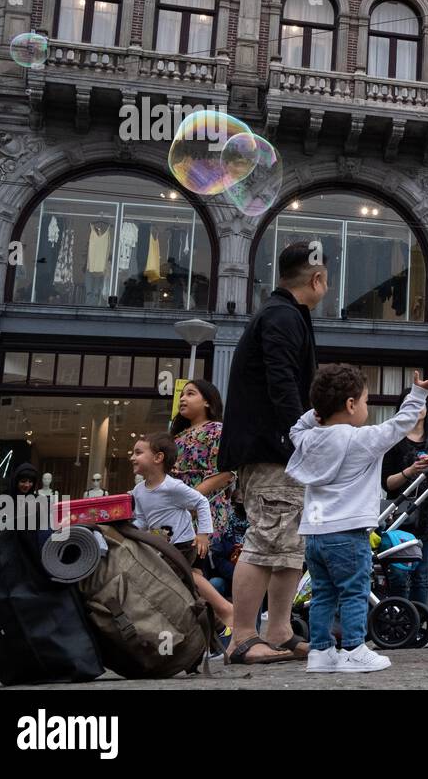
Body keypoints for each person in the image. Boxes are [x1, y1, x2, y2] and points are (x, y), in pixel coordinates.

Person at [287, 365, 428, 673]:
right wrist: (419, 393)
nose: (367, 408)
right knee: (354, 591)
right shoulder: (361, 439)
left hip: (315, 535)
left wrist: (315, 412)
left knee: (323, 594)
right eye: (366, 401)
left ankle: (320, 652)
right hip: (349, 532)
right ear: (350, 404)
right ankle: (354, 649)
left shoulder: (308, 439)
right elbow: (401, 424)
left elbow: (295, 428)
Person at [219, 241, 325, 665]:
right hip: (273, 451)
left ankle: (279, 631)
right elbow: (282, 382)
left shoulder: (283, 313)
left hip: (280, 451)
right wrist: (303, 435)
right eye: (325, 281)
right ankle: (242, 636)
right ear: (316, 279)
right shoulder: (282, 316)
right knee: (265, 541)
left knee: (288, 545)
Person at [170, 378, 235, 633]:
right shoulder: (176, 435)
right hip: (176, 512)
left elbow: (229, 471)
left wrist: (193, 496)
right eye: (182, 395)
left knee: (193, 567)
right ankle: (208, 624)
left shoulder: (217, 430)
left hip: (205, 512)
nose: (183, 399)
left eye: (191, 393)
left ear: (208, 401)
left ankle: (222, 615)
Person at [380, 403, 428, 606]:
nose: (418, 408)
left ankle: (418, 628)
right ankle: (397, 625)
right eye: (411, 404)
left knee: (421, 576)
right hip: (398, 520)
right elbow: (386, 483)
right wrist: (410, 471)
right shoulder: (394, 442)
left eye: (421, 404)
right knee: (397, 574)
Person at [130, 433, 213, 568]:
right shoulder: (138, 491)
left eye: (138, 453)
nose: (132, 457)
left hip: (183, 546)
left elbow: (201, 502)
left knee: (163, 579)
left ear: (158, 457)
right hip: (162, 547)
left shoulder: (172, 487)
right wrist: (129, 531)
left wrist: (203, 534)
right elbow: (142, 520)